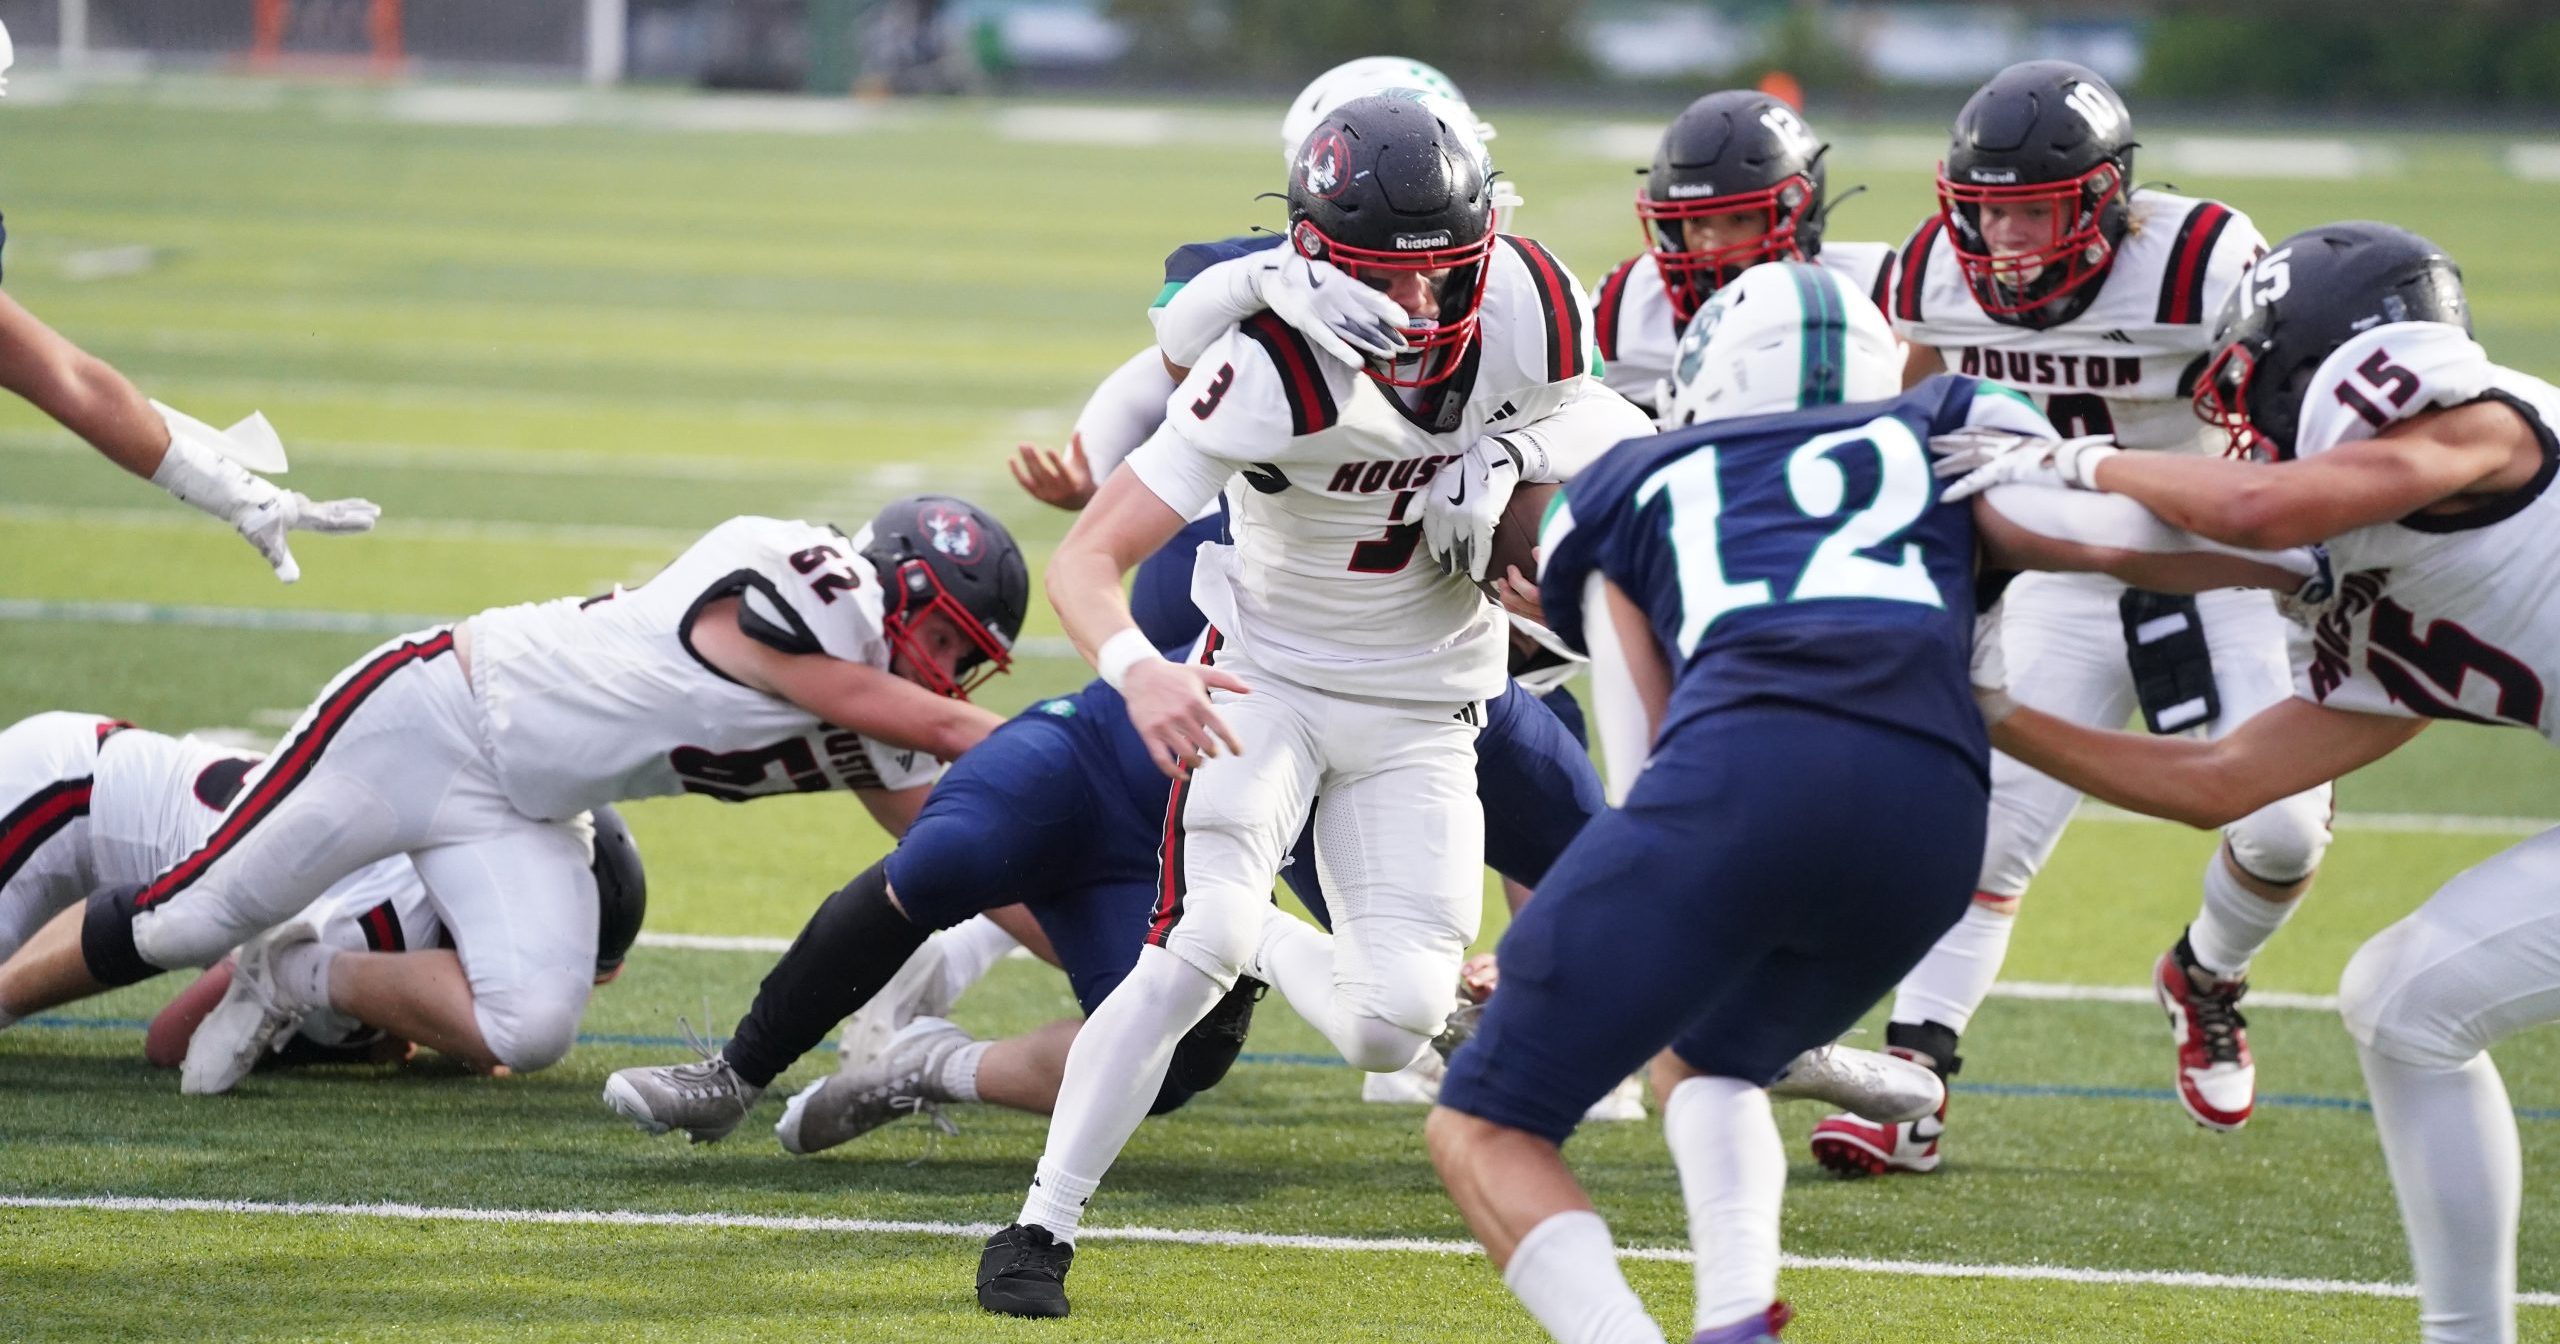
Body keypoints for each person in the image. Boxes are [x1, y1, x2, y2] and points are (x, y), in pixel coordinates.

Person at [1425, 259, 2319, 1344]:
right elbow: (2115, 541)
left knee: (1484, 1127)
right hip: (1929, 820)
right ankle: (1734, 1316)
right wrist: (2310, 566)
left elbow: (1647, 741)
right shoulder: (1939, 423)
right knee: (1710, 1065)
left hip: (1731, 789)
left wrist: (1611, 899)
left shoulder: (1622, 484)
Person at [970, 95, 1653, 1319]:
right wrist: (1145, 669)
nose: (1427, 310)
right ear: (1315, 261)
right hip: (1267, 683)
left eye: (1448, 276)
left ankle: (1275, 941)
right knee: (1191, 952)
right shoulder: (1268, 362)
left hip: (1430, 706)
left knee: (1394, 1028)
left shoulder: (1529, 304)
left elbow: (1605, 420)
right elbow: (1087, 557)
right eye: (1396, 280)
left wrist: (1521, 464)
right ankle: (1040, 1226)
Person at [1947, 221, 2555, 1344]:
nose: (2239, 408)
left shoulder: (2467, 418)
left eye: (2251, 372)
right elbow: (2216, 781)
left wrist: (2069, 456)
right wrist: (1997, 714)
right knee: (2403, 1002)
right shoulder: (2389, 582)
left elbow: (2255, 513)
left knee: (2404, 998)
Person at [0, 497, 1025, 1095]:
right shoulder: (814, 585)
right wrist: (1072, 742)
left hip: (527, 807)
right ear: (899, 583)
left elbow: (967, 858)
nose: (943, 677)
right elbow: (902, 716)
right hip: (432, 717)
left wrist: (1119, 938)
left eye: (962, 665)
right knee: (192, 919)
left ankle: (297, 978)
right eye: (944, 644)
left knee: (532, 1025)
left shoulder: (885, 723)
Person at [1811, 59, 2331, 1175]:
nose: (2003, 236)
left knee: (2279, 832)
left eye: (2032, 206)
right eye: (1985, 207)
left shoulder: (2200, 263)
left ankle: (2206, 977)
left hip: (2216, 555)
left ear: (2102, 198)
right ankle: (1913, 1090)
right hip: (2060, 567)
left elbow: (2285, 408)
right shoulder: (1930, 269)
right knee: (1987, 837)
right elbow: (1915, 408)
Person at [0, 713, 644, 1074]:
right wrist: (353, 1034)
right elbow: (172, 1038)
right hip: (64, 799)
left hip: (88, 809)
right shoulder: (374, 922)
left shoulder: (434, 885)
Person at [1587, 89, 1898, 420]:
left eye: (1739, 219)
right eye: (1696, 221)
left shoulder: (1875, 290)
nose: (1713, 244)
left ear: (1797, 215)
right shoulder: (1627, 303)